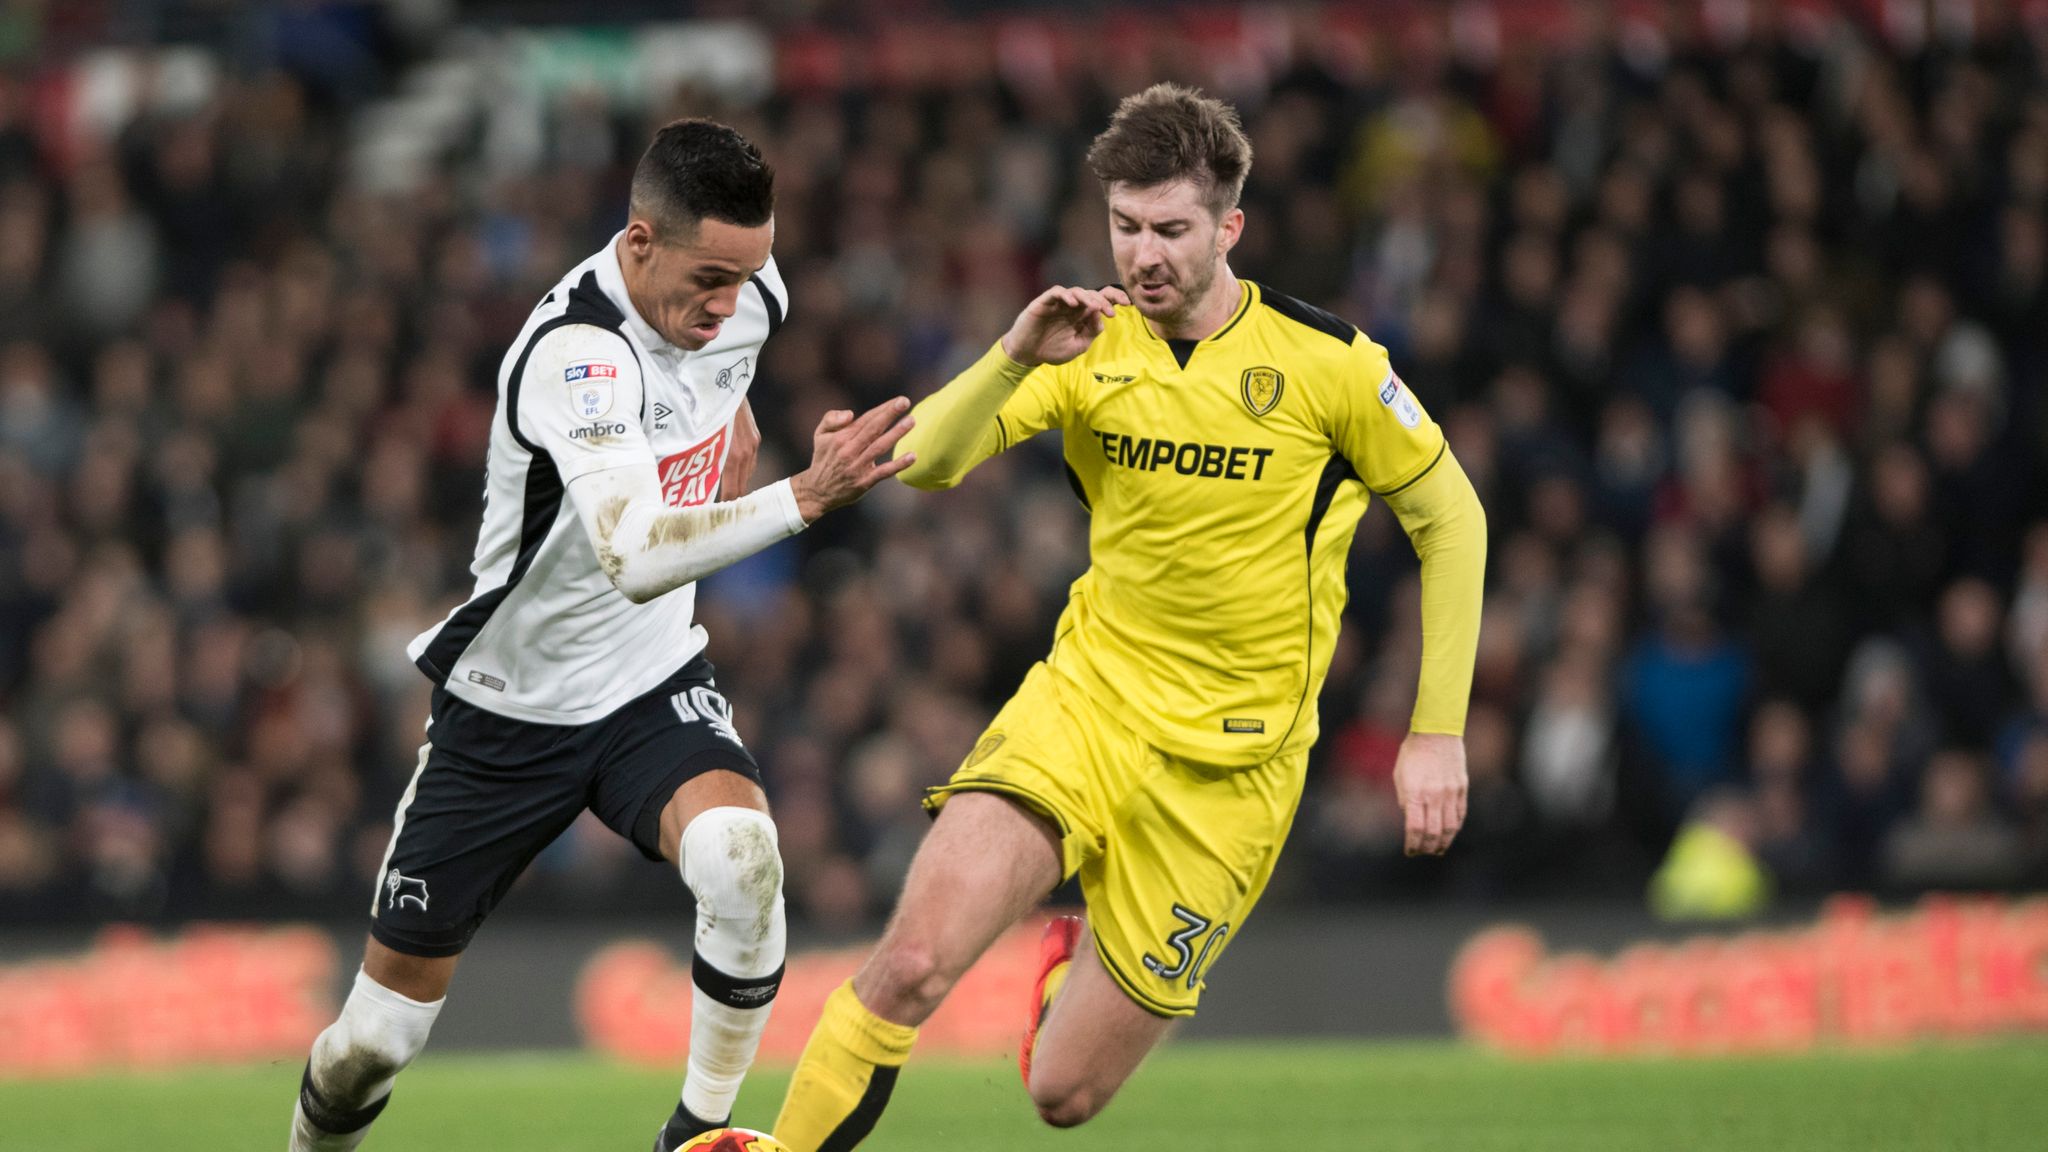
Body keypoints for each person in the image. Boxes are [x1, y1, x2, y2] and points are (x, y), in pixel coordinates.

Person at [771, 84, 1487, 1148]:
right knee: (911, 964)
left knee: (1063, 1096)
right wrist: (1013, 353)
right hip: (1086, 710)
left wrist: (1434, 731)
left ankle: (1070, 969)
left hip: (1231, 775)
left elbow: (1451, 519)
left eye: (1168, 229)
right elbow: (928, 460)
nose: (1140, 254)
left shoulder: (1329, 366)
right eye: (1122, 226)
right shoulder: (1082, 343)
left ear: (1227, 227)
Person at [287, 119, 917, 1152]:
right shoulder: (575, 356)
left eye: (747, 276)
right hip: (506, 711)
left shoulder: (750, 297)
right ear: (637, 244)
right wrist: (805, 496)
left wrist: (735, 418)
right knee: (374, 1045)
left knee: (741, 853)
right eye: (707, 278)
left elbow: (726, 371)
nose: (729, 305)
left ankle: (698, 1138)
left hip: (646, 681)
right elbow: (633, 559)